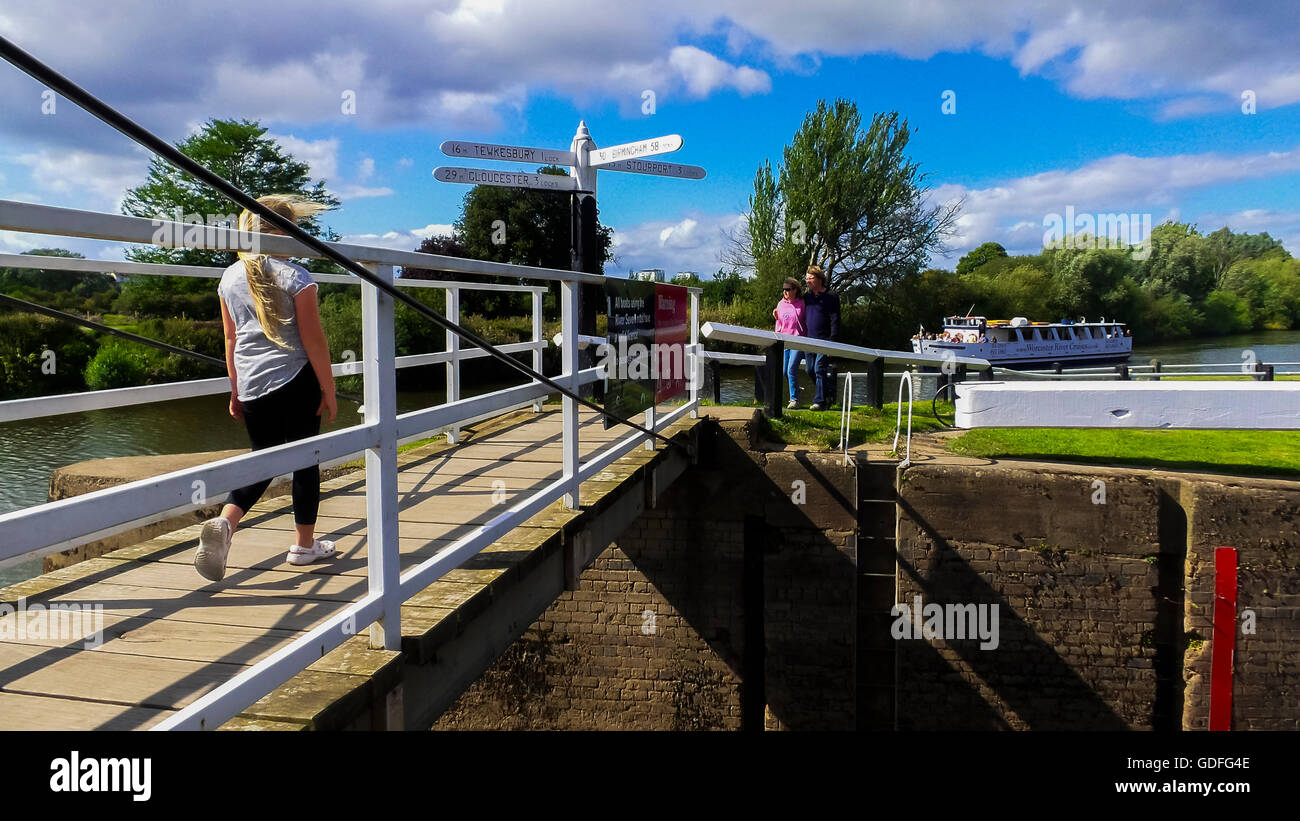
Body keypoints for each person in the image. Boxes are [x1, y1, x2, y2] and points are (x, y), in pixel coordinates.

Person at [195, 194, 340, 582]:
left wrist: (235, 390)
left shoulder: (228, 278)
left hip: (252, 384)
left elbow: (230, 340)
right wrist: (329, 388)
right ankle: (305, 546)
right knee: (304, 461)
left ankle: (226, 523)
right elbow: (314, 341)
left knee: (263, 458)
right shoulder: (297, 278)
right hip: (296, 381)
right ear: (282, 233)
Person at [802, 265, 840, 411]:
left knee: (819, 368)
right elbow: (793, 306)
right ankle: (828, 392)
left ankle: (820, 402)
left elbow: (835, 319)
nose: (807, 281)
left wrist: (832, 341)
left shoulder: (831, 296)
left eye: (810, 278)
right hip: (808, 340)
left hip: (824, 340)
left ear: (819, 279)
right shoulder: (807, 297)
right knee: (809, 370)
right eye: (806, 278)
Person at [772, 277, 806, 409]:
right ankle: (797, 388)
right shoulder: (781, 304)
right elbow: (779, 321)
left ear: (795, 290)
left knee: (791, 369)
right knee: (784, 372)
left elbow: (807, 320)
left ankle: (794, 399)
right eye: (784, 290)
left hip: (797, 340)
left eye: (788, 289)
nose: (785, 292)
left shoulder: (802, 303)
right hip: (784, 340)